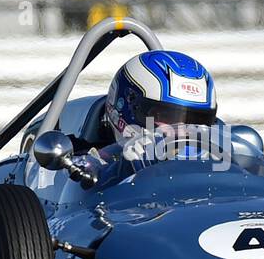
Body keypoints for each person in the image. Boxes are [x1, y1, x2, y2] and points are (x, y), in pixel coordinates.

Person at [70, 51, 220, 176]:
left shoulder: (218, 152)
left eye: (196, 121)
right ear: (124, 108)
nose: (181, 132)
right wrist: (119, 170)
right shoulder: (84, 162)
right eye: (167, 117)